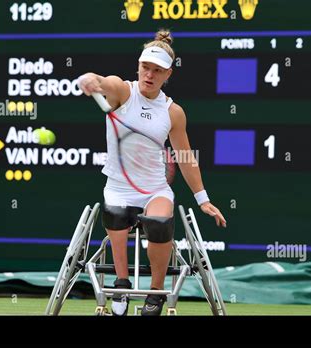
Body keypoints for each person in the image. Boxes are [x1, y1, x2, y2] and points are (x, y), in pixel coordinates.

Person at [78, 29, 226, 316]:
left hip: (154, 189)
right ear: (138, 66)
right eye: (145, 67)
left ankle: (155, 293)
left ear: (168, 74)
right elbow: (103, 82)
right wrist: (91, 80)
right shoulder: (123, 90)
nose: (149, 75)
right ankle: (121, 283)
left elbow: (185, 156)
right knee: (116, 213)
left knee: (158, 222)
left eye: (157, 71)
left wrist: (203, 199)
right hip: (118, 187)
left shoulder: (174, 113)